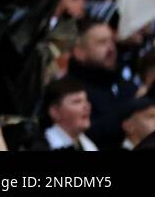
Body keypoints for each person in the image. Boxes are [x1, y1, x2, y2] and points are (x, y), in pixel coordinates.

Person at [67, 18, 136, 150]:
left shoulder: (121, 78)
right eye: (101, 43)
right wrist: (131, 108)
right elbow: (88, 132)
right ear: (79, 52)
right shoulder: (72, 90)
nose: (111, 48)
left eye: (112, 41)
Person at [43, 76, 98, 150]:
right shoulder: (44, 145)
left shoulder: (87, 144)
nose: (87, 106)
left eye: (86, 100)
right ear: (55, 112)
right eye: (77, 101)